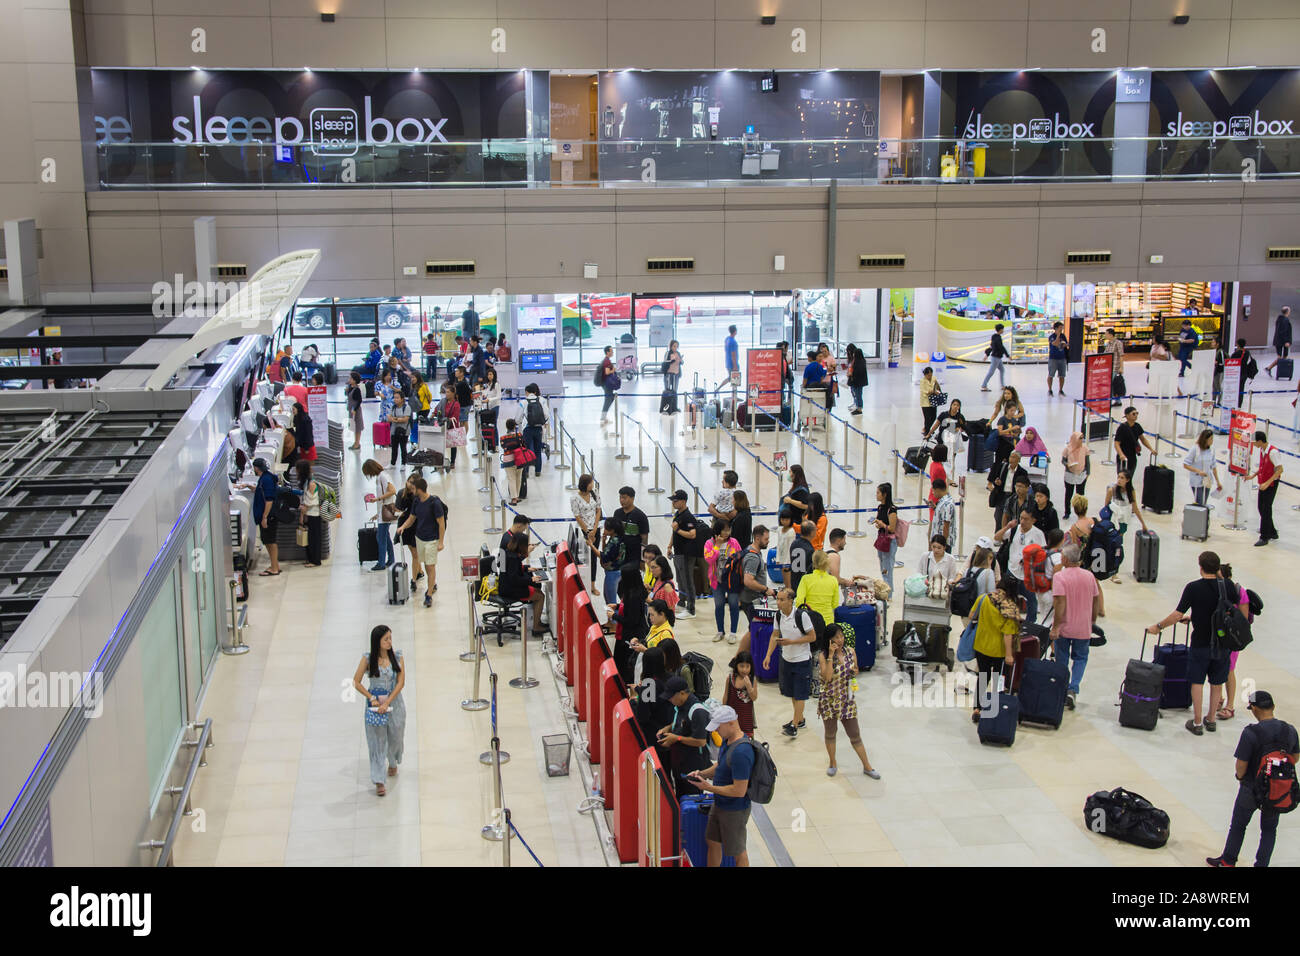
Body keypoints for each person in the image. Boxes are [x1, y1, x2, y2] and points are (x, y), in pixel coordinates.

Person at [1146, 550, 1249, 735]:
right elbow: (1223, 610)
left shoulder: (1193, 588)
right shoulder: (1228, 585)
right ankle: (1211, 719)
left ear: (1200, 567)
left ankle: (1197, 721)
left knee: (1197, 682)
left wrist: (1159, 626)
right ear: (1218, 567)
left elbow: (1178, 614)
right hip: (1222, 643)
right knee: (1217, 682)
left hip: (1201, 642)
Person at [1206, 690, 1299, 868]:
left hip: (1251, 787)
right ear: (1273, 707)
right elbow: (1295, 757)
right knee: (1269, 830)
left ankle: (1228, 861)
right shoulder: (1290, 730)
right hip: (1277, 789)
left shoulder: (1251, 733)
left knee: (1239, 825)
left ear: (1255, 708)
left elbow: (1241, 765)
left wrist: (1240, 778)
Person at [685, 705, 755, 867]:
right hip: (720, 803)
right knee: (712, 841)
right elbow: (720, 765)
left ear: (731, 723)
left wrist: (708, 788)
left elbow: (739, 790)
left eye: (718, 727)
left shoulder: (742, 752)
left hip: (734, 810)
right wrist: (701, 774)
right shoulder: (728, 740)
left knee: (738, 852)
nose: (715, 731)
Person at [816, 624, 881, 778]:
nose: (840, 640)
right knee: (830, 733)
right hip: (829, 700)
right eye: (836, 637)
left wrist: (854, 672)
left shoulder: (851, 652)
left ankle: (867, 766)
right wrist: (831, 655)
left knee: (854, 734)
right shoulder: (823, 656)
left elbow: (856, 669)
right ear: (829, 640)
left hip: (847, 699)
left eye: (842, 636)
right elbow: (827, 678)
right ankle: (832, 763)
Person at [351, 626, 406, 797]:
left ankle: (393, 760)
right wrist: (371, 697)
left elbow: (400, 682)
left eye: (390, 638)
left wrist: (388, 701)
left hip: (394, 704)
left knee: (396, 736)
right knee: (377, 742)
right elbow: (356, 681)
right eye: (386, 639)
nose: (390, 642)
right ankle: (379, 779)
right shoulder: (368, 659)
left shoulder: (397, 657)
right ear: (377, 642)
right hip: (375, 706)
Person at [1048, 541, 1100, 710]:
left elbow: (1060, 603)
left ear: (1065, 559)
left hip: (1064, 627)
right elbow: (1095, 600)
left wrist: (1055, 627)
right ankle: (1073, 688)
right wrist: (1092, 621)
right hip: (1083, 627)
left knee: (1062, 658)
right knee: (1081, 658)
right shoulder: (1089, 576)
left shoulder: (1060, 577)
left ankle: (1061, 688)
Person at [964, 572, 1021, 722]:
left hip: (981, 645)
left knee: (983, 676)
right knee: (998, 680)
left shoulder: (984, 598)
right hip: (998, 651)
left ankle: (977, 708)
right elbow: (1007, 635)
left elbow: (971, 615)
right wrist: (1009, 655)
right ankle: (994, 709)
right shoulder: (1010, 608)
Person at [764, 587, 815, 738]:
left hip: (802, 660)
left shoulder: (802, 616)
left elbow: (812, 637)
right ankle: (800, 719)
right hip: (786, 660)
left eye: (782, 599)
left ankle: (794, 725)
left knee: (800, 694)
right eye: (777, 599)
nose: (778, 602)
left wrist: (791, 642)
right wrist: (768, 655)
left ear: (791, 601)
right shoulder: (778, 616)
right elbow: (775, 635)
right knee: (792, 692)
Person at [393, 476, 445, 608]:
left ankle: (429, 595)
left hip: (431, 540)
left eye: (414, 488)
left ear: (419, 489)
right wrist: (403, 527)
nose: (412, 490)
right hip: (419, 537)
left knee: (430, 566)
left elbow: (441, 523)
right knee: (426, 566)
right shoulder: (416, 501)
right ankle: (431, 585)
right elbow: (412, 518)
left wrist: (441, 542)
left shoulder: (434, 503)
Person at [657, 675, 712, 797]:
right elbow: (679, 722)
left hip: (693, 766)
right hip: (680, 762)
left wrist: (676, 738)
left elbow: (701, 741)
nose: (669, 700)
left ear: (682, 693)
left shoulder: (698, 711)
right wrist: (667, 728)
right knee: (680, 796)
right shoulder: (679, 706)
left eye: (671, 697)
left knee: (691, 799)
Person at [996, 507, 1046, 623]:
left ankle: (1030, 624)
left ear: (1033, 520)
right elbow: (997, 537)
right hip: (1012, 571)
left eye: (1026, 519)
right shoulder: (1015, 530)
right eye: (1021, 518)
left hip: (1027, 575)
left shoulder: (1038, 534)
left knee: (1031, 601)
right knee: (1007, 598)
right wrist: (1007, 527)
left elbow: (1043, 553)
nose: (1022, 521)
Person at [499, 531, 548, 636]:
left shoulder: (509, 552)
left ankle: (537, 621)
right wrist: (531, 580)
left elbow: (515, 570)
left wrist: (527, 568)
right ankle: (536, 627)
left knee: (538, 591)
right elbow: (515, 579)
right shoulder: (513, 558)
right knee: (540, 596)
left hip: (506, 584)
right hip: (510, 589)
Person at [608, 560, 648, 684]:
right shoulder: (634, 590)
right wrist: (618, 605)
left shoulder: (634, 596)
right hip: (628, 633)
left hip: (632, 635)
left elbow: (631, 620)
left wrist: (614, 616)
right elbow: (628, 609)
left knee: (625, 664)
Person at [737, 525, 774, 653]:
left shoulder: (752, 550)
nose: (768, 541)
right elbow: (748, 580)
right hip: (751, 600)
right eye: (766, 539)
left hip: (751, 599)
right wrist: (765, 589)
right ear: (757, 538)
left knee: (752, 628)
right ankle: (739, 658)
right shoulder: (752, 557)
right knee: (753, 629)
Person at [704, 520, 742, 644]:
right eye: (724, 530)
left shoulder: (734, 542)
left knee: (733, 604)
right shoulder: (709, 543)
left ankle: (733, 633)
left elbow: (740, 558)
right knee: (719, 605)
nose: (727, 532)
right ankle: (720, 631)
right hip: (717, 581)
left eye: (728, 530)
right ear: (718, 530)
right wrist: (717, 546)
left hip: (732, 581)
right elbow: (709, 559)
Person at [243, 457, 281, 576]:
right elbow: (261, 491)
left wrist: (265, 517)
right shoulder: (265, 477)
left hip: (269, 517)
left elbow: (269, 500)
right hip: (266, 516)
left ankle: (274, 568)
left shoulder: (266, 480)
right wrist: (249, 486)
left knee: (270, 542)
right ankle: (275, 565)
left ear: (256, 468)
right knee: (268, 541)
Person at [1247, 430, 1282, 547]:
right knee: (1261, 508)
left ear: (1260, 441)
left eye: (1255, 442)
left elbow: (1279, 470)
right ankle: (1272, 532)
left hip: (1270, 484)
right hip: (1264, 483)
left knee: (1266, 508)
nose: (1254, 444)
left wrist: (1267, 483)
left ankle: (1264, 536)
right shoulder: (1263, 450)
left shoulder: (1273, 452)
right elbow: (1263, 467)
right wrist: (1253, 475)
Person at [362, 459, 397, 572]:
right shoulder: (382, 476)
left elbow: (392, 491)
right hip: (382, 512)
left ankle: (381, 562)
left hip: (385, 513)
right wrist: (377, 514)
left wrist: (377, 499)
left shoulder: (382, 477)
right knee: (385, 537)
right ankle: (391, 559)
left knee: (381, 538)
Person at [795, 549, 841, 625]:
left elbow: (799, 602)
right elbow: (835, 604)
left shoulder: (806, 579)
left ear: (813, 562)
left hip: (810, 620)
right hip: (828, 620)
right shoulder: (833, 580)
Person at [571, 473, 602, 578]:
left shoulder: (595, 492)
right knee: (582, 558)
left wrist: (594, 529)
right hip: (582, 531)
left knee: (593, 557)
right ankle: (582, 581)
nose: (592, 484)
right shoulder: (575, 498)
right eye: (590, 483)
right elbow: (577, 516)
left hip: (595, 529)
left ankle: (592, 583)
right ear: (585, 484)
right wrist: (588, 532)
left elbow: (598, 510)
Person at [988, 450, 1027, 533]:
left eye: (1014, 457)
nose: (1011, 459)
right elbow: (995, 478)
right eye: (1010, 457)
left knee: (1011, 517)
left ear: (1019, 460)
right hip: (1002, 496)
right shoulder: (1002, 467)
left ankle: (1010, 535)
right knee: (998, 516)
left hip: (1014, 497)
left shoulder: (1022, 472)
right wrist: (996, 482)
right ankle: (999, 534)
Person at [1113, 406, 1157, 478]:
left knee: (1130, 477)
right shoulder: (1122, 428)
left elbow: (1143, 439)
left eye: (1137, 413)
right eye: (1133, 414)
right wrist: (1121, 454)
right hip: (1123, 456)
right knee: (1122, 477)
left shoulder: (1137, 426)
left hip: (1132, 456)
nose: (1136, 415)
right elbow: (1116, 443)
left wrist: (1151, 449)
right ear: (1127, 415)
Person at [1184, 428, 1222, 507]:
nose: (1212, 441)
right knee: (1200, 502)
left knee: (1204, 503)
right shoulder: (1195, 449)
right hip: (1196, 480)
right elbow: (1185, 464)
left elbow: (1214, 467)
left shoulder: (1211, 450)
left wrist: (1218, 482)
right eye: (1211, 439)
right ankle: (1197, 518)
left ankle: (1203, 518)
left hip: (1207, 480)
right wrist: (1198, 471)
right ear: (1205, 439)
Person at [873, 483, 899, 595]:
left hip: (889, 542)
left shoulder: (892, 510)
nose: (876, 495)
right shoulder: (880, 507)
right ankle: (886, 589)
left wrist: (882, 524)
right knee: (883, 566)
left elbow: (892, 528)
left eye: (878, 493)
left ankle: (888, 593)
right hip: (881, 540)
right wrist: (878, 524)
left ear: (885, 494)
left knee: (887, 568)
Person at [723, 652, 759, 737]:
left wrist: (749, 687)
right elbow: (726, 696)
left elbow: (754, 698)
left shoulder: (752, 680)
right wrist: (723, 710)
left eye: (747, 666)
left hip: (746, 718)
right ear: (736, 666)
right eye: (741, 666)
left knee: (746, 738)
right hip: (732, 715)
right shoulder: (730, 678)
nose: (744, 670)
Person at [296, 460, 323, 567]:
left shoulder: (311, 483)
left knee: (314, 538)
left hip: (314, 514)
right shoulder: (307, 482)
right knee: (309, 538)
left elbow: (309, 500)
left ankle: (315, 560)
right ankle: (310, 558)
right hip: (309, 513)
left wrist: (303, 514)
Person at [615, 486, 650, 567]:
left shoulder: (640, 516)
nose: (621, 500)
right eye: (620, 497)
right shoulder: (617, 513)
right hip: (619, 554)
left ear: (632, 498)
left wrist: (642, 559)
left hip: (634, 556)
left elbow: (644, 539)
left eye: (624, 498)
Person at [499, 418, 530, 505]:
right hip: (519, 459)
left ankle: (514, 498)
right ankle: (517, 496)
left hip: (508, 460)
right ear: (514, 426)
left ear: (506, 427)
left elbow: (503, 447)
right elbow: (524, 445)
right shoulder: (519, 435)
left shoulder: (503, 438)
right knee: (518, 478)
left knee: (511, 479)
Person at [520, 381, 546, 477]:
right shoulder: (541, 401)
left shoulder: (524, 402)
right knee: (537, 450)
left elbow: (518, 417)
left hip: (527, 428)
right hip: (538, 428)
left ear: (527, 392)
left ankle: (526, 472)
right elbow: (546, 414)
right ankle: (538, 471)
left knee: (526, 450)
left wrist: (518, 422)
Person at [1062, 431, 1090, 511]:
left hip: (1081, 474)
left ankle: (1080, 511)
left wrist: (1088, 472)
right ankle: (1067, 511)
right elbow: (1063, 460)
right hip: (1069, 474)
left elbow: (1087, 462)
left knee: (1080, 494)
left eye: (1082, 438)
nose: (1081, 440)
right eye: (1079, 438)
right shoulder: (1067, 449)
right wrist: (1067, 464)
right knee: (1068, 494)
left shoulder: (1085, 448)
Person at [478, 367, 502, 453]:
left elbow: (499, 396)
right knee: (488, 426)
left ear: (494, 375)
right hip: (488, 407)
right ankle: (490, 444)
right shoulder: (488, 385)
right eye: (488, 374)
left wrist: (489, 399)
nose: (489, 376)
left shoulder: (496, 384)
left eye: (491, 374)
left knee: (494, 425)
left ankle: (496, 445)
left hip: (495, 406)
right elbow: (486, 393)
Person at [789, 519, 816, 595]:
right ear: (811, 533)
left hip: (794, 581)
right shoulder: (810, 550)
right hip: (805, 585)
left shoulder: (794, 543)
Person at [981, 322, 1009, 391]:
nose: (1003, 330)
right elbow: (1001, 347)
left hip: (997, 357)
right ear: (1000, 330)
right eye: (1003, 329)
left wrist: (987, 355)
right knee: (991, 372)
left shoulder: (994, 336)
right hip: (996, 357)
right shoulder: (998, 338)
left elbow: (991, 346)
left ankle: (1003, 386)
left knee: (1002, 370)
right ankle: (984, 385)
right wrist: (1007, 355)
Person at [1265, 306, 1292, 377]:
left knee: (1282, 357)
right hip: (1283, 341)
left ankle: (1269, 368)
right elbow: (1284, 331)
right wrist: (1287, 341)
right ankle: (1272, 369)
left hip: (1279, 340)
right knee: (1281, 358)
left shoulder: (1280, 319)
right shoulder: (1285, 320)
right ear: (1287, 312)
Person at [1231, 337, 1258, 406]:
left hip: (1236, 374)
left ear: (1238, 345)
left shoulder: (1235, 354)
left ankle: (1233, 402)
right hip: (1244, 374)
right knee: (1241, 389)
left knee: (1234, 388)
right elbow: (1250, 362)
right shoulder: (1247, 353)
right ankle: (1239, 404)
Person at [387, 391, 411, 469]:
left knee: (403, 447)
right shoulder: (393, 407)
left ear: (402, 399)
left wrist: (395, 419)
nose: (395, 399)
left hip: (404, 431)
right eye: (394, 398)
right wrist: (397, 419)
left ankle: (403, 463)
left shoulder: (406, 407)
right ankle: (392, 463)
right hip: (394, 430)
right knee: (394, 447)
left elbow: (405, 419)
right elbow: (389, 418)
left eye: (397, 398)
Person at [926, 444, 948, 524]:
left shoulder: (933, 464)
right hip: (938, 495)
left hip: (933, 493)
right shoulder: (940, 468)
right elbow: (942, 485)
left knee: (932, 520)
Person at [774, 510, 796, 590]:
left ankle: (789, 590)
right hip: (782, 557)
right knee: (783, 575)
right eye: (783, 519)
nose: (784, 521)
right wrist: (778, 558)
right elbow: (779, 544)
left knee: (788, 576)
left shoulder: (791, 532)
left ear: (790, 520)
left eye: (787, 520)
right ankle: (786, 588)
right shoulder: (780, 529)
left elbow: (791, 548)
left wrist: (787, 562)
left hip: (788, 559)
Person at [844, 342, 868, 414]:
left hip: (858, 382)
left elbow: (858, 372)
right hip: (855, 381)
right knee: (856, 394)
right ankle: (857, 405)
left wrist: (851, 373)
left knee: (858, 394)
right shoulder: (857, 361)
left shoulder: (859, 362)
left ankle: (859, 408)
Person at [1047, 320, 1069, 395]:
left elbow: (1066, 344)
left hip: (1062, 358)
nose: (1061, 329)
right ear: (1055, 328)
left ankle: (1061, 390)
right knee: (1051, 375)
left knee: (1062, 375)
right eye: (1060, 328)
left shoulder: (1063, 336)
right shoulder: (1051, 337)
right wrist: (1058, 335)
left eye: (1062, 328)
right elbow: (1055, 343)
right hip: (1053, 358)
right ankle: (1050, 389)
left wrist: (1065, 344)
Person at [599, 345, 617, 424]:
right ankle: (603, 418)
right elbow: (607, 372)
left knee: (610, 399)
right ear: (607, 352)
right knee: (608, 400)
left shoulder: (606, 360)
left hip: (606, 384)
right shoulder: (607, 361)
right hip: (607, 384)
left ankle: (604, 417)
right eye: (611, 351)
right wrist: (613, 370)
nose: (612, 352)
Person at [919, 366, 939, 436]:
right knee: (927, 418)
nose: (930, 376)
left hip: (933, 401)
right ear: (925, 375)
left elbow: (937, 386)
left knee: (934, 416)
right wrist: (933, 391)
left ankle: (927, 428)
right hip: (925, 402)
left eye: (931, 374)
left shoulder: (933, 378)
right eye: (928, 375)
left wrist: (937, 389)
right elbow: (924, 392)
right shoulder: (922, 381)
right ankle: (927, 432)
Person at [346, 371, 365, 450]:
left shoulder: (357, 389)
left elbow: (359, 400)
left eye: (350, 378)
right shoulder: (350, 387)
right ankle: (355, 442)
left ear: (354, 380)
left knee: (357, 427)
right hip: (351, 410)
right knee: (354, 427)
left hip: (355, 411)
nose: (349, 379)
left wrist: (355, 409)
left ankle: (357, 443)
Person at [664, 339, 682, 403]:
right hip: (668, 374)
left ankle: (674, 406)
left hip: (676, 374)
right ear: (671, 346)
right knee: (667, 390)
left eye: (677, 346)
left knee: (675, 391)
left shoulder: (678, 353)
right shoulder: (668, 353)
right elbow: (665, 362)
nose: (675, 348)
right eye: (674, 346)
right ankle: (667, 406)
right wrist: (672, 360)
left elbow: (681, 362)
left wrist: (681, 361)